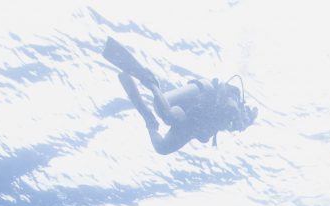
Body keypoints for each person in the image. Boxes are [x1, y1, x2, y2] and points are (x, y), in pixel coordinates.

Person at [103, 37, 256, 155]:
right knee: (165, 112)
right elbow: (229, 105)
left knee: (162, 148)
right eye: (243, 123)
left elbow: (206, 128)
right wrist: (238, 115)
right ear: (243, 111)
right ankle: (150, 81)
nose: (238, 128)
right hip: (201, 93)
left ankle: (147, 117)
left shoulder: (226, 122)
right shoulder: (233, 105)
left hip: (191, 120)